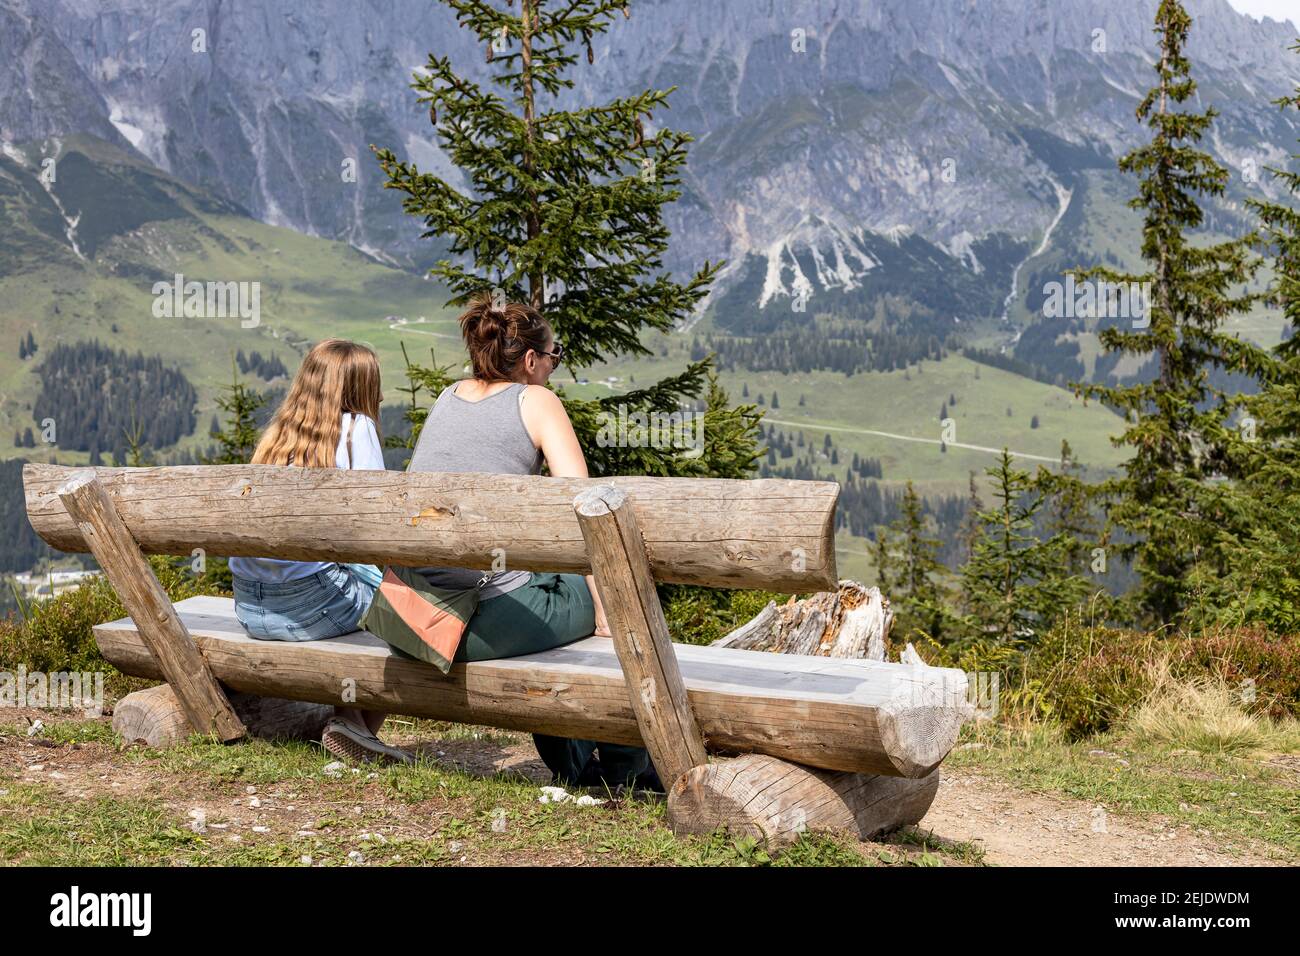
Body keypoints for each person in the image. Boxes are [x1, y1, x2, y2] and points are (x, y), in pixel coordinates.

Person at [407, 293, 661, 793]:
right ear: (529, 360)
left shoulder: (446, 396)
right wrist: (607, 604)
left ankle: (574, 763)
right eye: (553, 357)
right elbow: (587, 512)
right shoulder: (536, 400)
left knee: (558, 591)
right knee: (610, 612)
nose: (553, 368)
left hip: (413, 612)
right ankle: (624, 770)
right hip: (470, 621)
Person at [228, 338, 411, 766]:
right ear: (361, 389)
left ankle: (354, 728)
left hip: (253, 611)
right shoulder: (356, 430)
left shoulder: (276, 436)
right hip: (312, 611)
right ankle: (354, 723)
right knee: (416, 609)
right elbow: (375, 526)